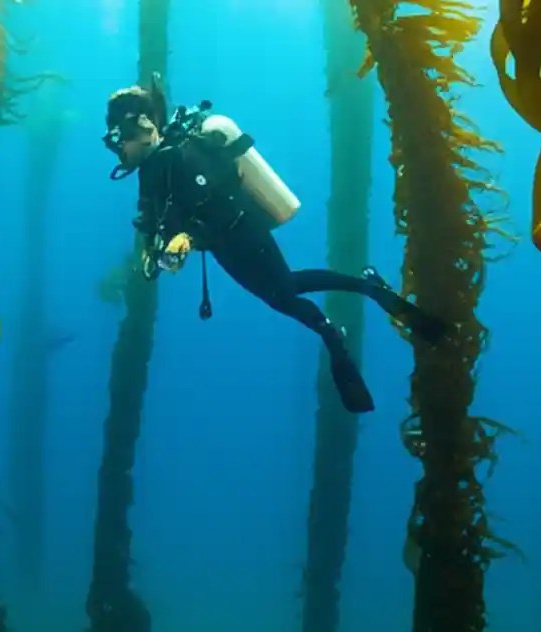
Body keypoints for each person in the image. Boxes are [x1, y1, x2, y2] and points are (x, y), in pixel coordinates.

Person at [101, 77, 448, 413]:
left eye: (118, 139)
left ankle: (336, 332)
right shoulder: (152, 172)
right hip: (225, 247)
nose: (118, 149)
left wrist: (189, 239)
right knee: (285, 289)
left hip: (242, 231)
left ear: (143, 126)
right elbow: (152, 221)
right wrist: (154, 253)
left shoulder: (179, 156)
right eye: (112, 142)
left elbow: (216, 198)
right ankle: (363, 292)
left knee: (283, 292)